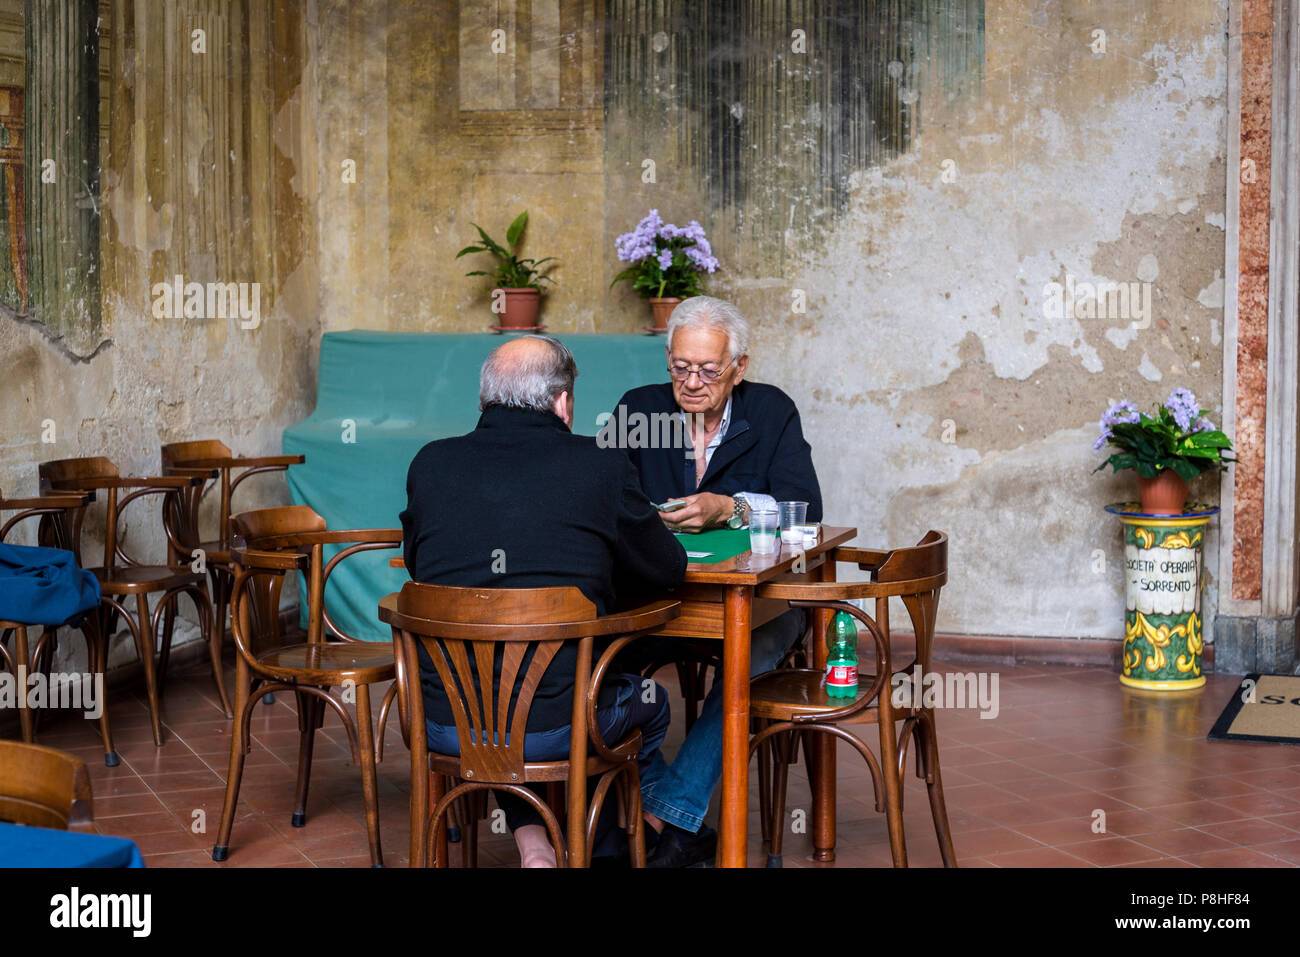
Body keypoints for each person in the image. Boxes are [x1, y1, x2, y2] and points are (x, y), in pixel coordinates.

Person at [400, 335, 687, 867]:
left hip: (444, 722)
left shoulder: (431, 464)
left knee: (493, 688)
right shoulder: (600, 463)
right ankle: (619, 837)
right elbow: (667, 567)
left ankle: (535, 847)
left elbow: (420, 568)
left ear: (484, 400)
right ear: (562, 402)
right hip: (562, 728)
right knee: (651, 702)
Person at [606, 295, 822, 868]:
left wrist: (729, 507)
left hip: (764, 604)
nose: (692, 382)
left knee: (751, 653)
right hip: (661, 599)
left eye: (708, 369)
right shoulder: (639, 409)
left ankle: (661, 813)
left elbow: (807, 506)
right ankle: (644, 804)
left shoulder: (770, 411)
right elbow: (602, 496)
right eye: (681, 367)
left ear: (739, 367)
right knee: (593, 654)